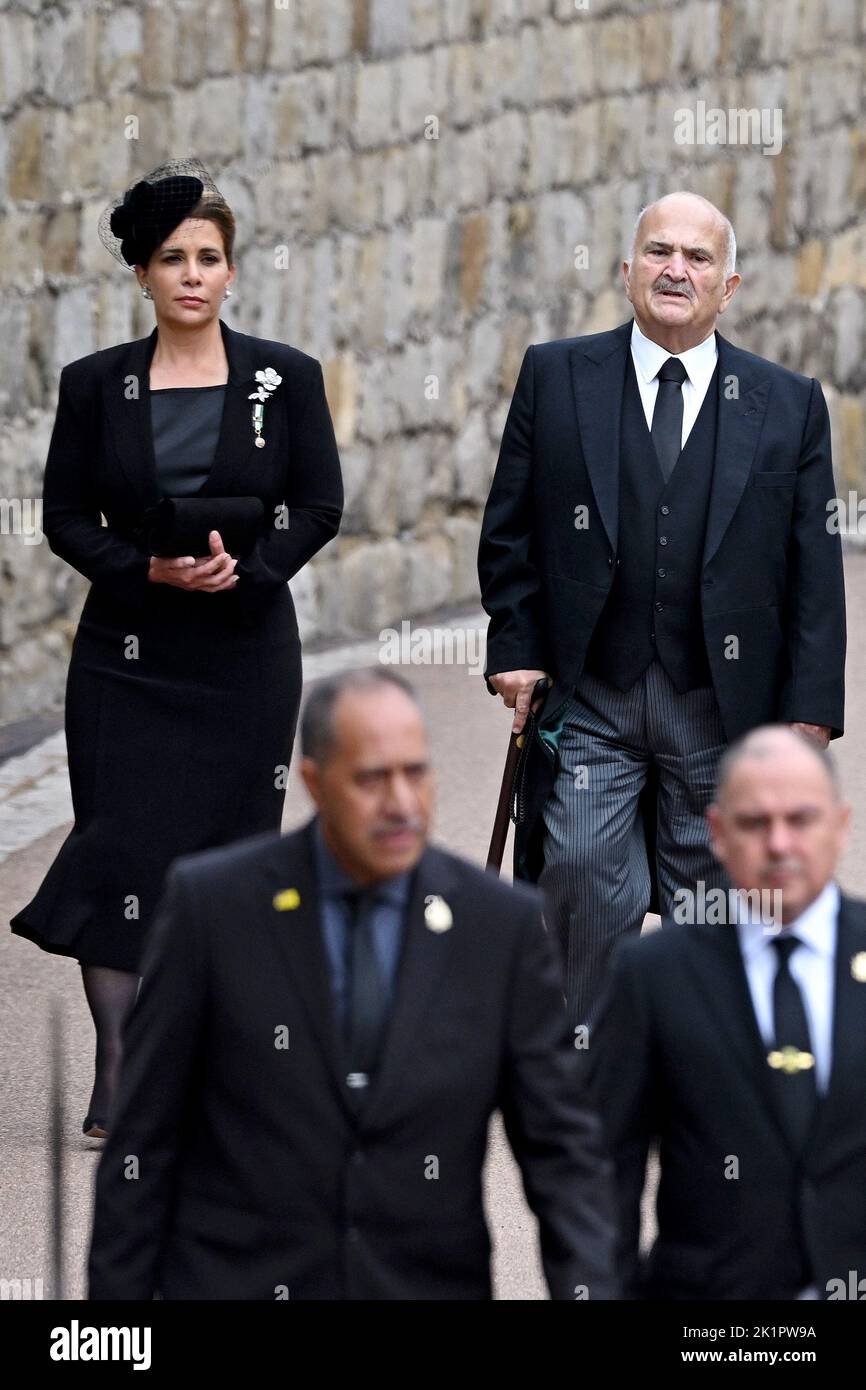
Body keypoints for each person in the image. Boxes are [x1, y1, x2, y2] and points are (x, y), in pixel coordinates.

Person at [87, 668, 618, 1300]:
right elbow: (145, 1145)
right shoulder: (214, 908)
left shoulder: (496, 928)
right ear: (313, 783)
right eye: (371, 778)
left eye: (415, 773)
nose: (400, 803)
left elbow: (564, 1156)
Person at [10, 158, 343, 1137]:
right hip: (126, 655)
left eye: (208, 257)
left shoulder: (286, 378)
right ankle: (120, 1069)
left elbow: (318, 503)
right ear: (144, 276)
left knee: (229, 858)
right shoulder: (94, 385)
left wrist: (254, 570)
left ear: (231, 271)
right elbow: (65, 516)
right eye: (172, 259)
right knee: (121, 845)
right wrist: (144, 572)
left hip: (244, 654)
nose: (192, 274)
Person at [478, 190, 846, 1027]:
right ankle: (590, 1065)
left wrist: (810, 714)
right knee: (578, 870)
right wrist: (515, 645)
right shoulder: (557, 375)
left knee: (716, 892)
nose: (676, 269)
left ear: (730, 286)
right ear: (627, 271)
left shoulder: (787, 404)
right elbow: (509, 531)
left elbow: (814, 571)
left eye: (698, 258)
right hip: (592, 691)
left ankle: (703, 1062)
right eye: (659, 252)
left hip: (724, 705)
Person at [587, 726, 866, 1300]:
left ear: (840, 826)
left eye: (801, 819)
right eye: (755, 823)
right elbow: (601, 1176)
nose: (780, 844)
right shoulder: (652, 975)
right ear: (717, 833)